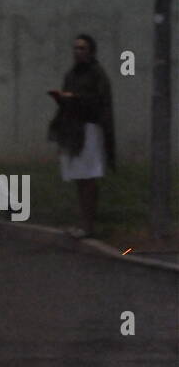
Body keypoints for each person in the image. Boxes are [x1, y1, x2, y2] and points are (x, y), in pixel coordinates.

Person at [48, 33, 115, 238]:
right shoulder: (71, 74)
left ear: (91, 51)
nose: (77, 52)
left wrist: (75, 98)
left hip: (90, 130)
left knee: (88, 179)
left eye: (82, 48)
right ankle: (82, 223)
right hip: (73, 129)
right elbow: (69, 103)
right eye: (75, 48)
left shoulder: (97, 74)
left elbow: (99, 103)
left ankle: (89, 225)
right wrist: (62, 99)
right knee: (79, 178)